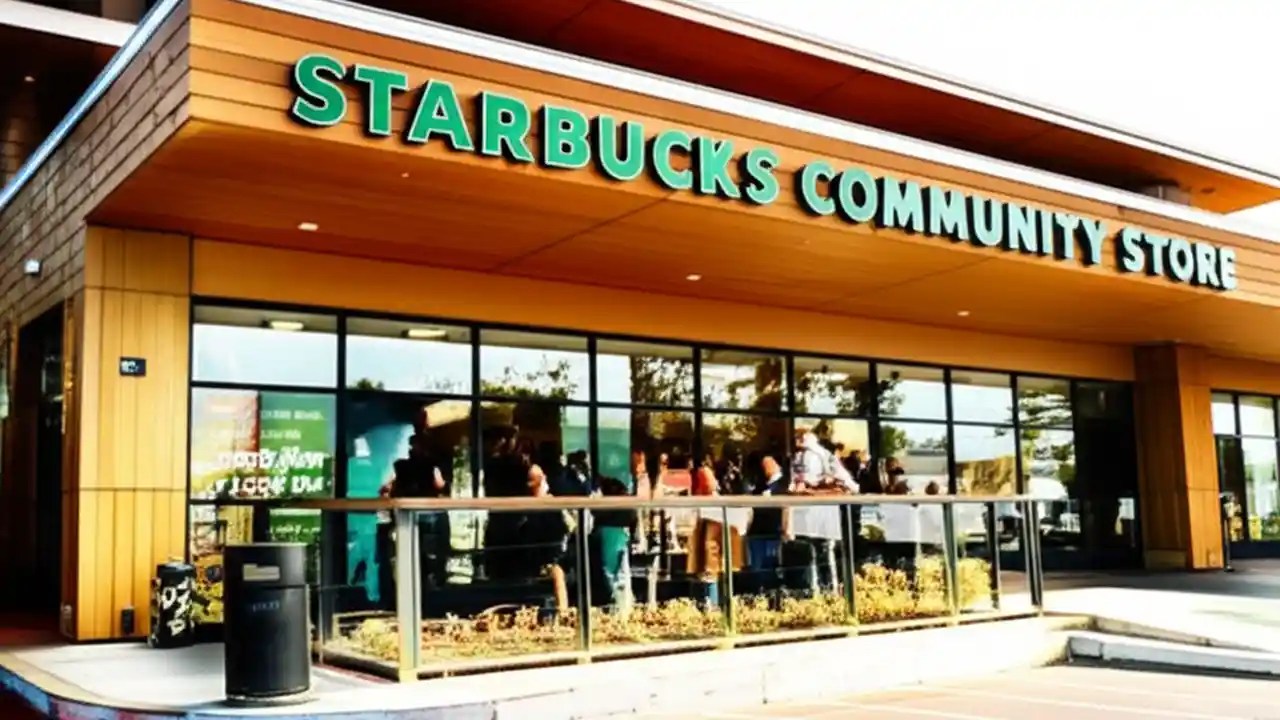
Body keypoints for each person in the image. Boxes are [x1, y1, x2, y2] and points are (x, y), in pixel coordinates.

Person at [745, 455, 788, 592]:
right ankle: (759, 594)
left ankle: (771, 594)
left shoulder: (785, 483)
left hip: (773, 531)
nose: (765, 468)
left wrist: (785, 529)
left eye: (768, 464)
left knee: (771, 564)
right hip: (757, 531)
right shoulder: (760, 484)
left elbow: (786, 507)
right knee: (756, 567)